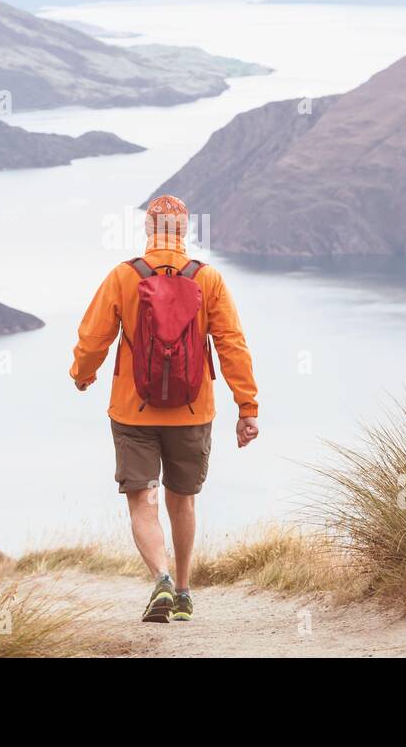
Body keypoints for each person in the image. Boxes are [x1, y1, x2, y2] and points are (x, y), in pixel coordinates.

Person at [70, 195, 259, 622]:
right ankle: (186, 590)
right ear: (186, 230)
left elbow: (93, 336)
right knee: (183, 501)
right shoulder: (207, 279)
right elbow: (232, 346)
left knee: (143, 500)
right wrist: (247, 407)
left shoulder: (125, 276)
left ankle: (162, 580)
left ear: (149, 230)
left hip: (133, 411)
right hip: (193, 413)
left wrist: (82, 373)